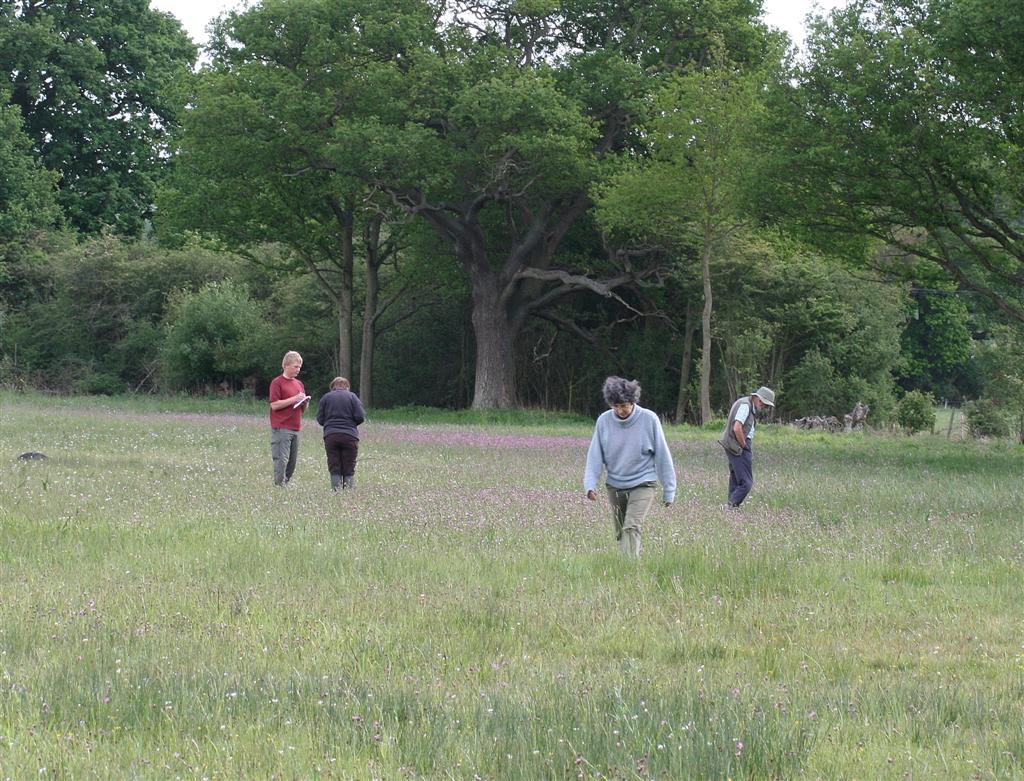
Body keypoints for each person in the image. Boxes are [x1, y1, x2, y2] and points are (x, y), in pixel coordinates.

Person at [584, 377, 676, 558]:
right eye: (615, 406)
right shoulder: (603, 421)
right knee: (621, 531)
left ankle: (629, 569)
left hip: (643, 483)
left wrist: (669, 490)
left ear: (633, 401)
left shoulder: (649, 420)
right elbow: (595, 456)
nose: (620, 410)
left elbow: (663, 456)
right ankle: (625, 562)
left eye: (624, 405)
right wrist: (590, 485)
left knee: (632, 527)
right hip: (615, 485)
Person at [718, 386, 775, 508]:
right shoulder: (746, 406)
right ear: (758, 398)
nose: (764, 407)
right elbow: (737, 427)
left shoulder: (746, 403)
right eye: (764, 403)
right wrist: (744, 445)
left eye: (766, 405)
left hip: (732, 444)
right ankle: (729, 507)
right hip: (738, 445)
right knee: (746, 483)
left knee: (735, 478)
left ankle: (731, 510)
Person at [315, 376, 366, 491]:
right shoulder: (352, 397)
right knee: (349, 464)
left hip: (331, 436)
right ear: (346, 387)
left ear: (332, 387)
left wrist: (329, 426)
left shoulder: (326, 398)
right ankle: (348, 492)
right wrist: (351, 425)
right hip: (350, 436)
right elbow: (360, 417)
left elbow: (320, 419)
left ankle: (336, 491)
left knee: (334, 463)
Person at [268, 350, 309, 486]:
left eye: (299, 367)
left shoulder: (299, 384)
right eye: (295, 366)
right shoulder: (277, 383)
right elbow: (274, 405)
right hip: (281, 427)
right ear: (286, 365)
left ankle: (285, 483)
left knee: (292, 462)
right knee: (282, 460)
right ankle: (279, 487)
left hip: (295, 427)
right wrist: (293, 399)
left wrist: (304, 402)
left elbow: (303, 410)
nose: (298, 370)